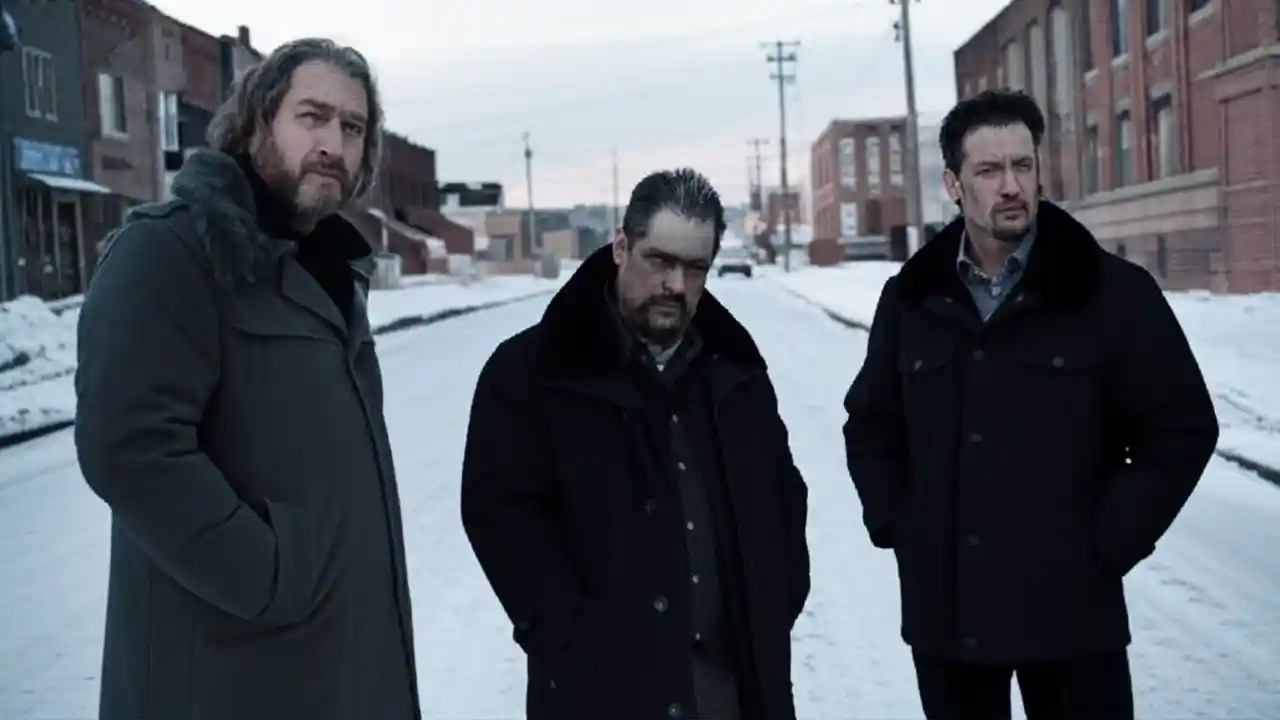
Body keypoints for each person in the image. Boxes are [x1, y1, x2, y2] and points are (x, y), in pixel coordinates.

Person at [842, 89, 1218, 719]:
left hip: (1072, 618)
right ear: (954, 185)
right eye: (988, 171)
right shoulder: (911, 300)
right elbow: (873, 425)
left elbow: (1181, 430)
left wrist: (1107, 543)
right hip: (949, 616)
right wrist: (901, 523)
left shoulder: (1111, 293)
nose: (1010, 185)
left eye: (1022, 165)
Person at [74, 39, 419, 720]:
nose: (333, 143)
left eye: (353, 128)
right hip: (226, 676)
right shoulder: (171, 249)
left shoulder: (328, 272)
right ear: (259, 123)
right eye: (312, 116)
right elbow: (129, 448)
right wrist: (270, 573)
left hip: (331, 667)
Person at [461, 169, 810, 720]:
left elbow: (784, 500)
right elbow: (499, 516)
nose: (675, 283)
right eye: (660, 260)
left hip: (734, 693)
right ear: (621, 246)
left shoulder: (735, 376)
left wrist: (772, 606)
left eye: (695, 268)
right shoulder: (532, 373)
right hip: (602, 694)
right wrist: (569, 640)